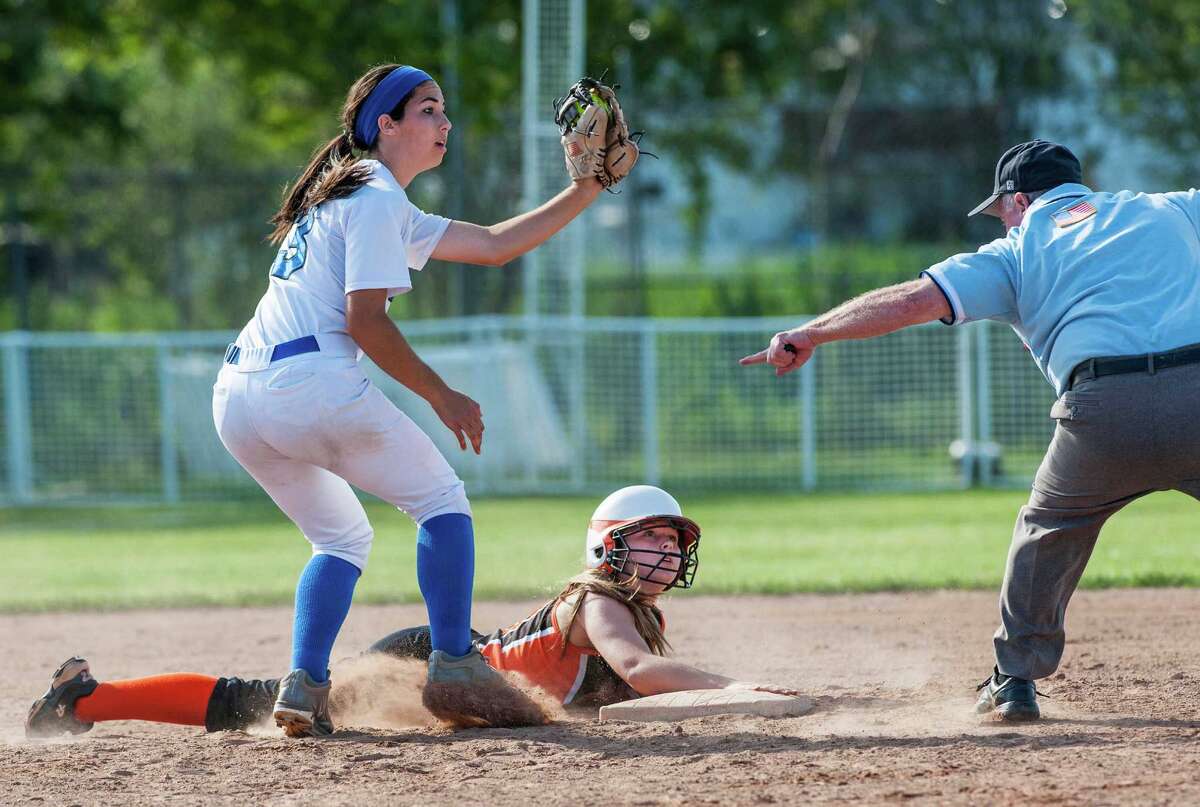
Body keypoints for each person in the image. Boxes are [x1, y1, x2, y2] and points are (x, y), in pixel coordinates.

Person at [208, 63, 617, 736]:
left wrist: (588, 188)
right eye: (428, 109)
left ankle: (303, 684)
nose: (444, 121)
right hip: (307, 383)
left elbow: (492, 246)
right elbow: (364, 319)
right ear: (386, 124)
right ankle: (454, 662)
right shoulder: (372, 197)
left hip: (240, 398)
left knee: (339, 536)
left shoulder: (359, 197)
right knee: (442, 501)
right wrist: (443, 395)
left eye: (444, 110)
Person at [741, 140, 1200, 722]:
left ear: (1019, 199)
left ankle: (1014, 681)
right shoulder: (1172, 208)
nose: (1001, 218)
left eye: (1000, 209)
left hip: (1104, 410)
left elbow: (910, 300)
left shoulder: (1015, 252)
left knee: (1048, 529)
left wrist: (810, 333)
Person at [24, 486, 801, 738]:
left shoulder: (635, 612)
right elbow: (636, 671)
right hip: (427, 660)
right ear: (607, 550)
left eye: (673, 545)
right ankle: (88, 697)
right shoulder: (598, 602)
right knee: (268, 702)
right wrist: (734, 688)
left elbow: (628, 694)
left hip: (452, 662)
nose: (665, 556)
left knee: (272, 705)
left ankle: (93, 698)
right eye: (650, 542)